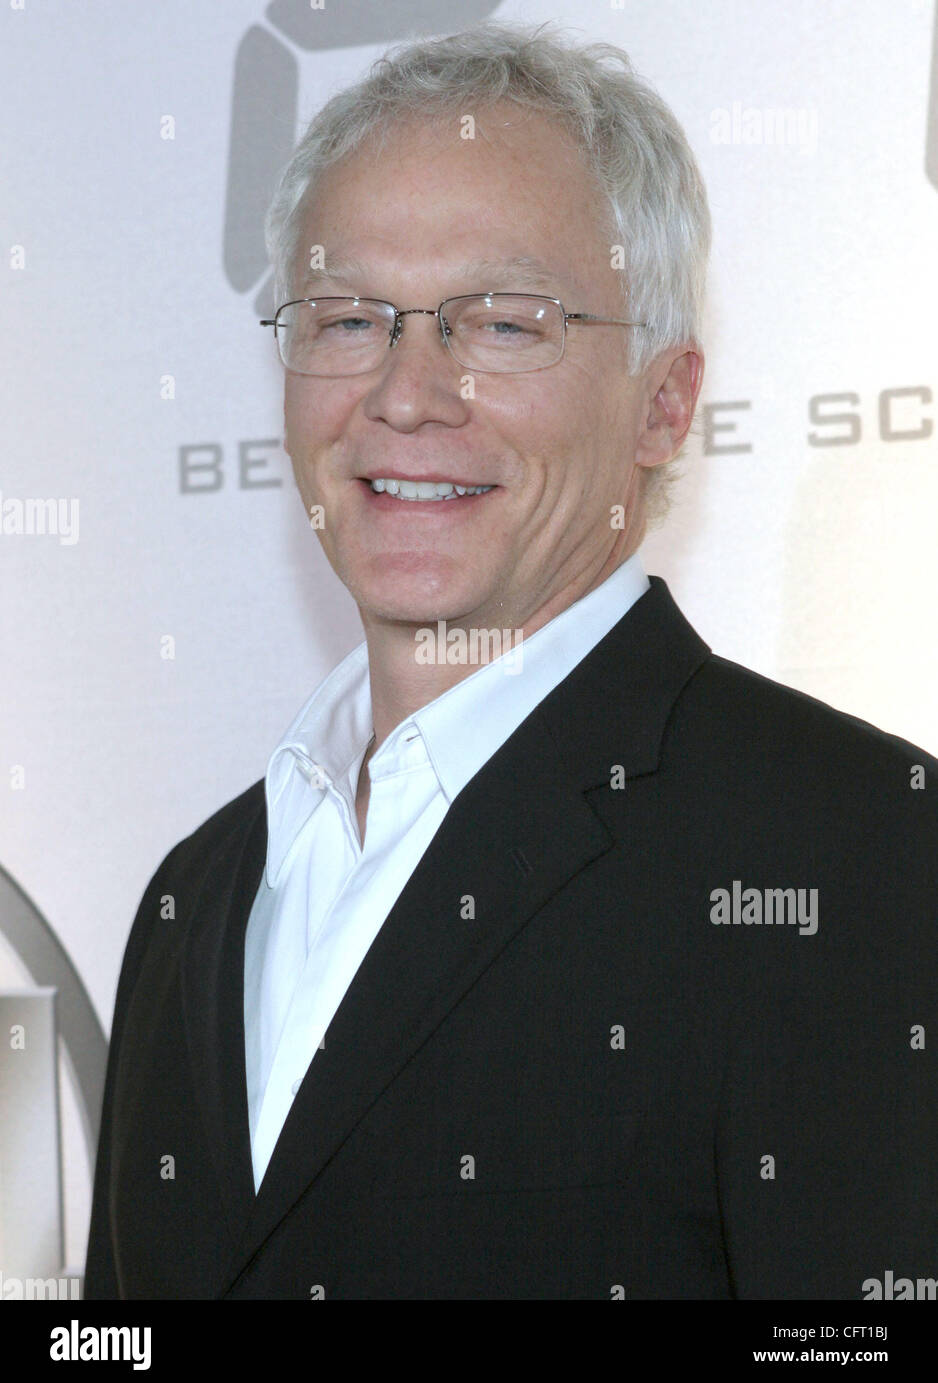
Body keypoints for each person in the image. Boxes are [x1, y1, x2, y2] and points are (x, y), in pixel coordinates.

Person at [84, 20, 938, 1300]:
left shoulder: (856, 853)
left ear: (664, 400)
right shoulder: (194, 896)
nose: (406, 392)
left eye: (500, 323)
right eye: (345, 316)